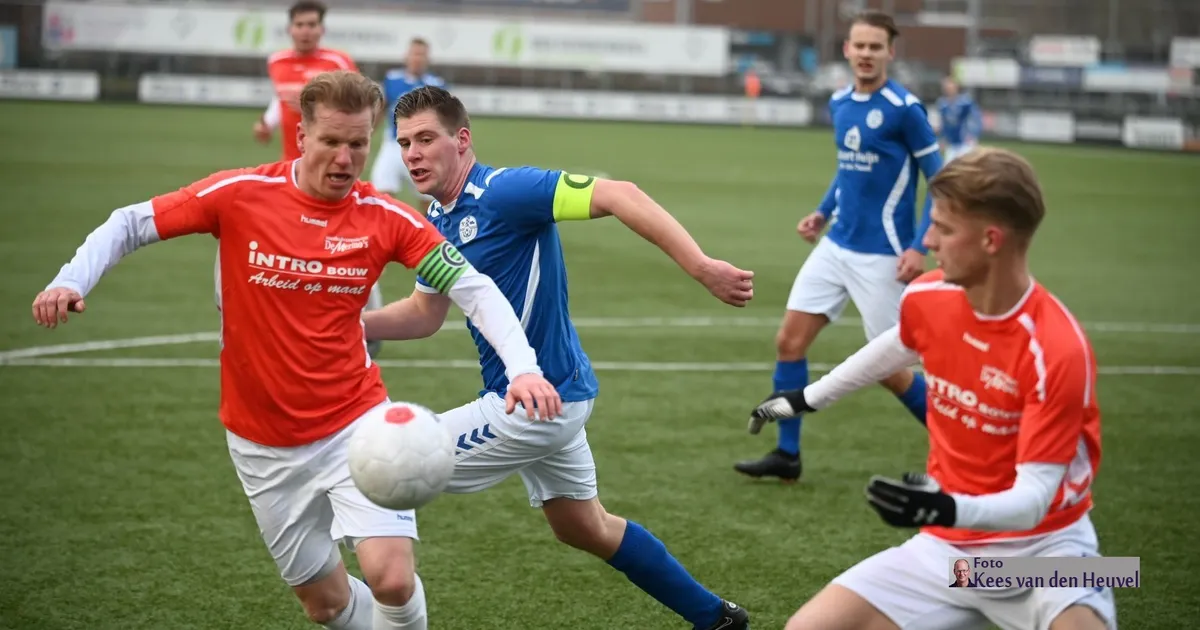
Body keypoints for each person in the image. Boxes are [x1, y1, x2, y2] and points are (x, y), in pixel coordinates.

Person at [32, 70, 563, 630]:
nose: (345, 157)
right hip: (260, 444)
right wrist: (71, 280)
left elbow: (472, 288)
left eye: (358, 143)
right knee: (326, 606)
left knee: (392, 578)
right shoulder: (241, 195)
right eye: (332, 142)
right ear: (303, 137)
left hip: (358, 426)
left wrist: (523, 368)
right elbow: (131, 222)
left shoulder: (385, 218)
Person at [362, 85, 755, 630]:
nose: (412, 155)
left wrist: (701, 266)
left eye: (426, 139)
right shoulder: (436, 217)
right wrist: (344, 325)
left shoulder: (505, 191)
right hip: (550, 397)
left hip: (533, 402)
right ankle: (718, 619)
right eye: (404, 143)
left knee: (389, 469)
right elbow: (423, 315)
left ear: (462, 140)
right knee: (582, 527)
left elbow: (620, 193)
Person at [748, 147, 1116, 630]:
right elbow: (892, 348)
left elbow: (1031, 503)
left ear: (990, 239)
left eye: (943, 228)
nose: (927, 239)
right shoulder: (928, 295)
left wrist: (943, 505)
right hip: (947, 551)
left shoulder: (1056, 349)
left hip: (1043, 553)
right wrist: (804, 400)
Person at [734, 10, 943, 483]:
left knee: (891, 369)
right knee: (789, 342)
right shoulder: (839, 102)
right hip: (836, 245)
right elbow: (848, 168)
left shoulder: (905, 109)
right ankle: (787, 456)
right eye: (859, 45)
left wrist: (918, 245)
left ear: (890, 52)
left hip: (885, 255)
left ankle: (968, 451)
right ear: (846, 49)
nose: (866, 54)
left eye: (876, 47)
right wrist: (824, 211)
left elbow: (942, 182)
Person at [247, 1, 387, 353]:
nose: (306, 30)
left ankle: (374, 319)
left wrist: (356, 143)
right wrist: (268, 124)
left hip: (334, 172)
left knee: (347, 240)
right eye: (300, 24)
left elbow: (366, 101)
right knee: (291, 245)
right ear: (290, 28)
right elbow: (280, 101)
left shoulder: (336, 63)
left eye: (312, 24)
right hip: (291, 172)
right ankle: (300, 323)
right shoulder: (276, 63)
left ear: (322, 29)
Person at [369, 37, 445, 201]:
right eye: (414, 54)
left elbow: (442, 118)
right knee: (382, 194)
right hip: (393, 143)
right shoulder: (392, 79)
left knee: (429, 202)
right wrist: (369, 132)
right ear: (406, 56)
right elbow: (382, 108)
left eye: (421, 55)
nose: (417, 59)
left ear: (427, 59)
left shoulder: (436, 84)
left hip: (423, 147)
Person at [936, 76, 982, 163]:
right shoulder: (942, 104)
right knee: (949, 168)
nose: (948, 89)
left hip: (965, 141)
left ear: (956, 87)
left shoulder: (966, 102)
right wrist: (942, 138)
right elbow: (944, 123)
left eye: (950, 86)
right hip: (952, 143)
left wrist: (974, 135)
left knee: (966, 167)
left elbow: (976, 118)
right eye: (946, 87)